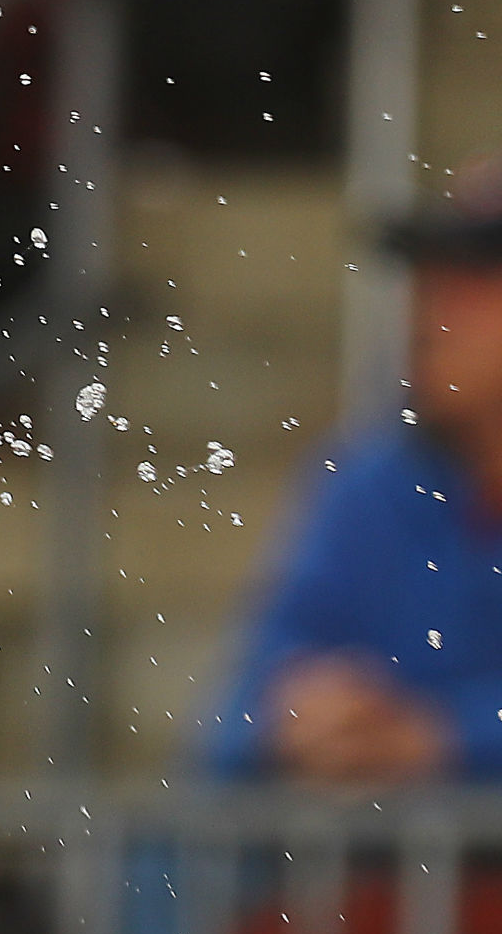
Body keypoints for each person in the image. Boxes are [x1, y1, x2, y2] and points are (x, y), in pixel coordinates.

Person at [206, 171, 502, 783]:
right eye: (427, 283)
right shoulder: (372, 482)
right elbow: (238, 710)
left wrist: (444, 736)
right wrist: (299, 713)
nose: (429, 312)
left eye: (471, 284)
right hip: (388, 871)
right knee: (173, 850)